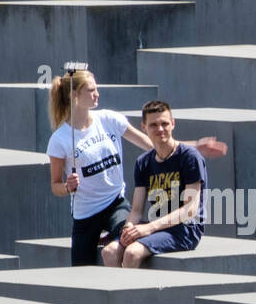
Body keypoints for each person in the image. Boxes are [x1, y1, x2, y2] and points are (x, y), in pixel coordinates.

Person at [45, 70, 224, 266]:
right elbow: (55, 186)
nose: (97, 94)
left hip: (115, 204)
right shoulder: (60, 139)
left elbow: (154, 143)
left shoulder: (109, 119)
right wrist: (67, 187)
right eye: (91, 90)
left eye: (97, 89)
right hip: (85, 212)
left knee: (123, 243)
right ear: (75, 95)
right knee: (82, 268)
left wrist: (196, 146)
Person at [102, 100, 207, 268]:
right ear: (144, 127)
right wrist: (129, 227)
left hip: (185, 229)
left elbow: (190, 210)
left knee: (132, 252)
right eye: (153, 125)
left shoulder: (189, 157)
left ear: (173, 124)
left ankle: (132, 294)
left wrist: (148, 228)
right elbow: (136, 210)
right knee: (110, 252)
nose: (160, 129)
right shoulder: (143, 162)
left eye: (164, 123)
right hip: (156, 227)